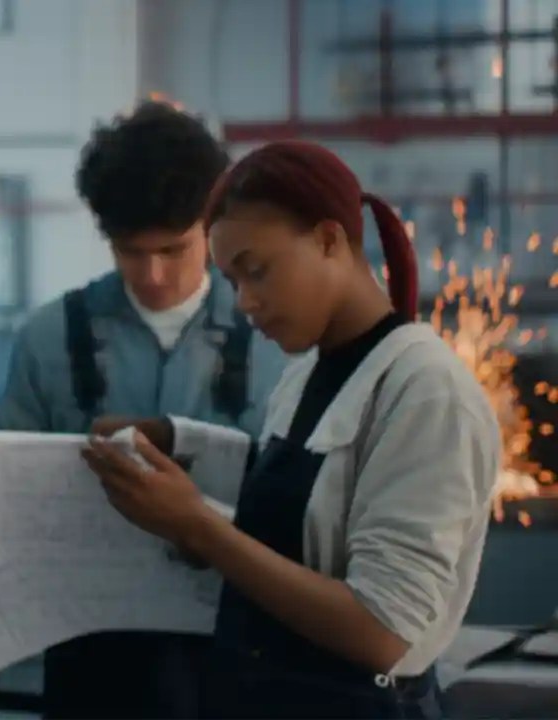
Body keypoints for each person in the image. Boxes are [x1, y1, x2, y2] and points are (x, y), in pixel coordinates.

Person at [83, 140, 500, 719]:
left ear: (330, 240)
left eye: (259, 271)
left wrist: (198, 526)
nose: (247, 302)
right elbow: (299, 523)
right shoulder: (309, 371)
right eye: (231, 281)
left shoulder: (424, 390)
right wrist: (176, 439)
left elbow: (382, 632)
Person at [0, 101, 287, 718]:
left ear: (214, 226)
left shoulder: (277, 338)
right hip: (89, 654)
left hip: (238, 646)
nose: (151, 275)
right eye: (129, 251)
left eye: (174, 250)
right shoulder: (49, 338)